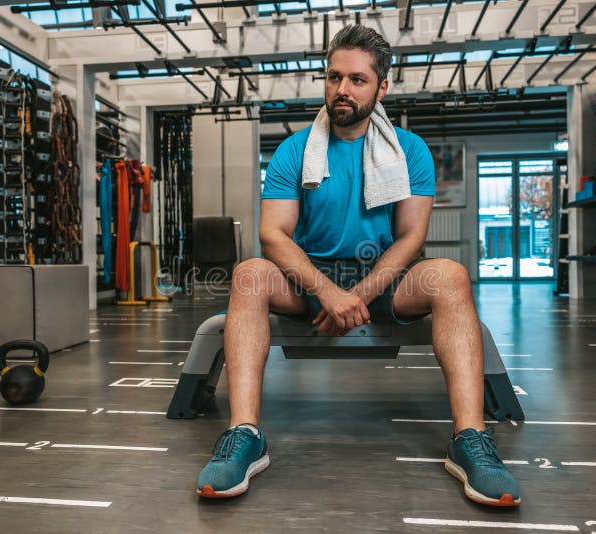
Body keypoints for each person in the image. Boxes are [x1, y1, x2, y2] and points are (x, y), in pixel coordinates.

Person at [196, 24, 520, 507]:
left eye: (357, 79)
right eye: (333, 77)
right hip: (309, 276)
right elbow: (273, 235)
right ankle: (245, 435)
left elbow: (412, 237)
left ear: (381, 87)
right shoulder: (295, 150)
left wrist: (359, 294)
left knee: (450, 275)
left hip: (385, 276)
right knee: (248, 273)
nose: (342, 89)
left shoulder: (409, 151)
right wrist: (327, 291)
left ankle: (469, 440)